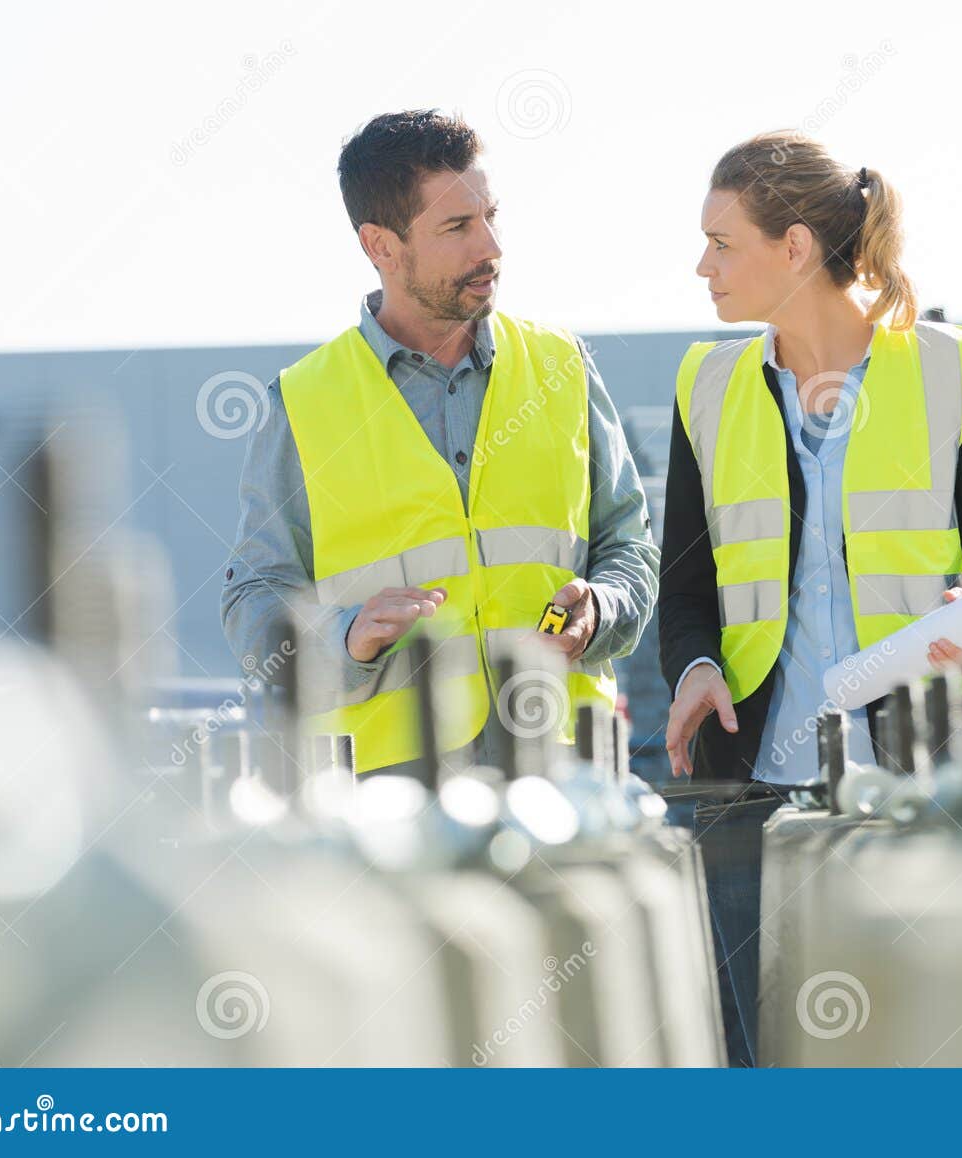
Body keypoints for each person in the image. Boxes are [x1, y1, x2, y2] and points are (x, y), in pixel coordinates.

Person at [658, 131, 962, 1064]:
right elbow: (685, 576)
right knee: (764, 1055)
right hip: (748, 779)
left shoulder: (947, 368)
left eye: (721, 242)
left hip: (924, 778)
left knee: (924, 1049)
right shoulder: (706, 385)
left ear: (793, 249)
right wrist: (697, 667)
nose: (701, 265)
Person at [221, 109, 658, 775]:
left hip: (565, 772)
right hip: (392, 797)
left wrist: (604, 608)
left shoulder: (561, 365)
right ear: (382, 247)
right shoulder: (303, 401)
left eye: (490, 215)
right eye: (457, 226)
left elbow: (628, 545)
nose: (490, 246)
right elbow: (255, 598)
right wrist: (343, 638)